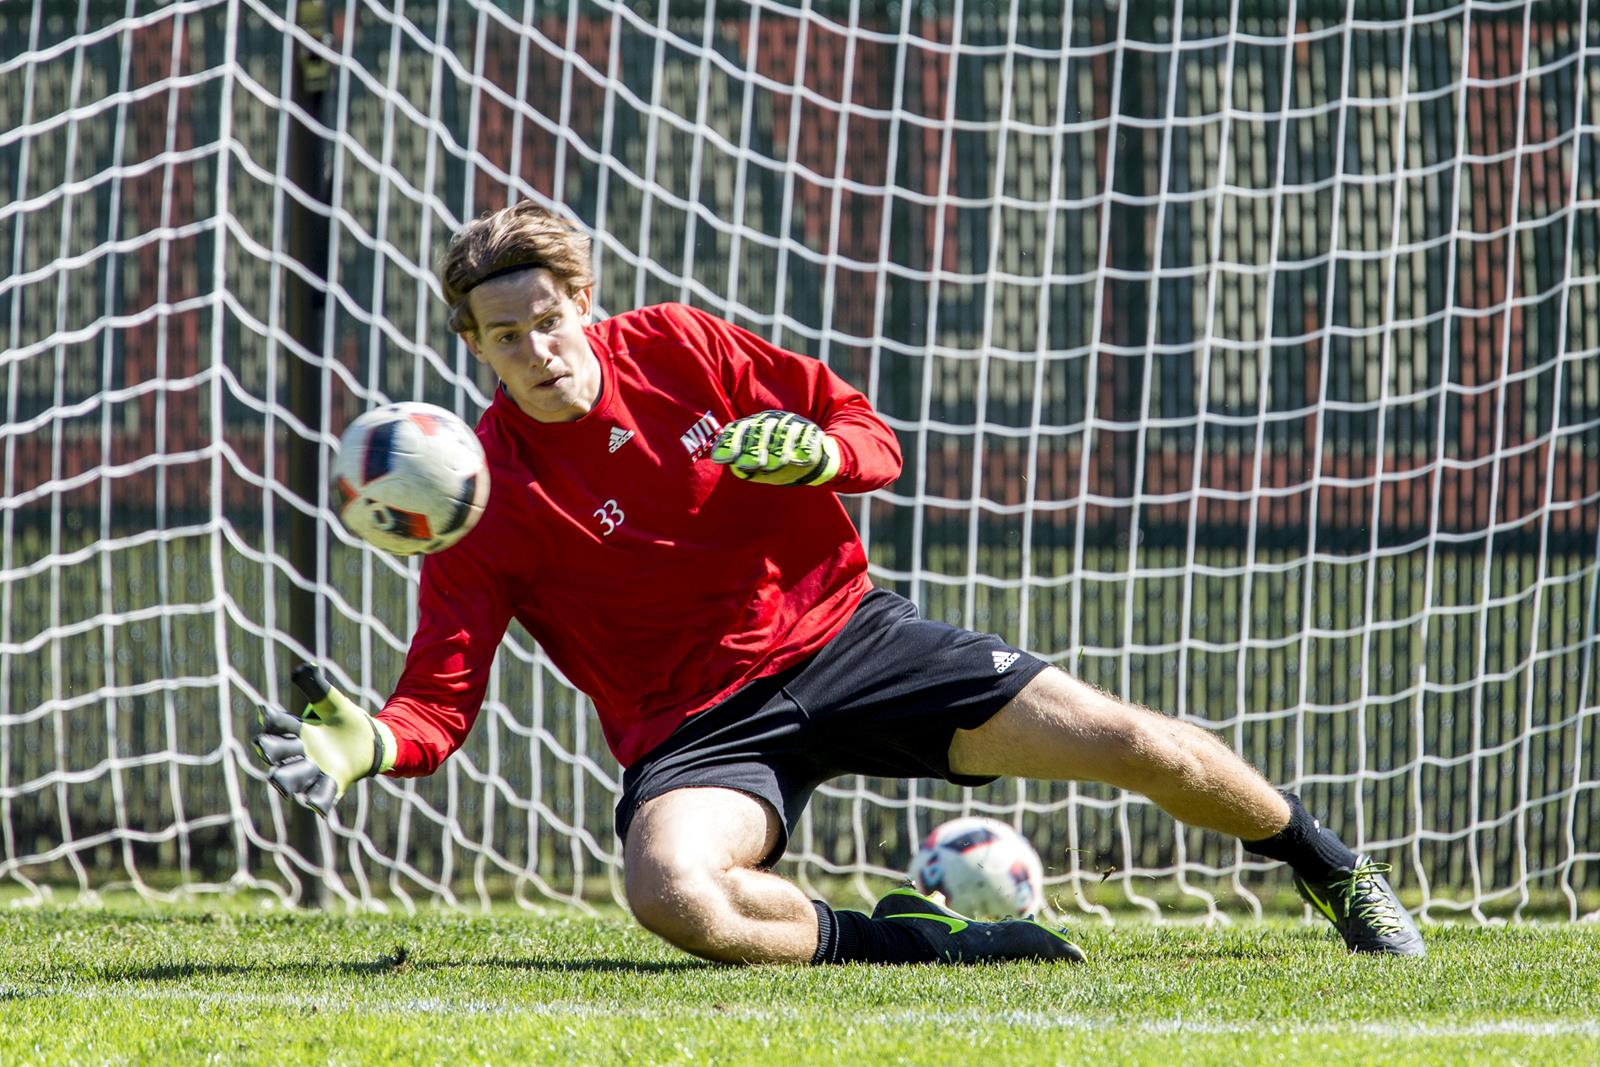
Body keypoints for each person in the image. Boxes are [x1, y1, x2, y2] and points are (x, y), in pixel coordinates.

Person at [253, 200, 1424, 964]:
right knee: (669, 892)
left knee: (1135, 743)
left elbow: (865, 430)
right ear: (474, 348)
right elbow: (439, 695)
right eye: (505, 336)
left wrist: (821, 453)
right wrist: (371, 745)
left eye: (548, 320)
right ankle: (912, 945)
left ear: (584, 307)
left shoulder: (680, 346)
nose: (537, 349)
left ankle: (1334, 872)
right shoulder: (476, 494)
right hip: (698, 727)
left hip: (847, 637)